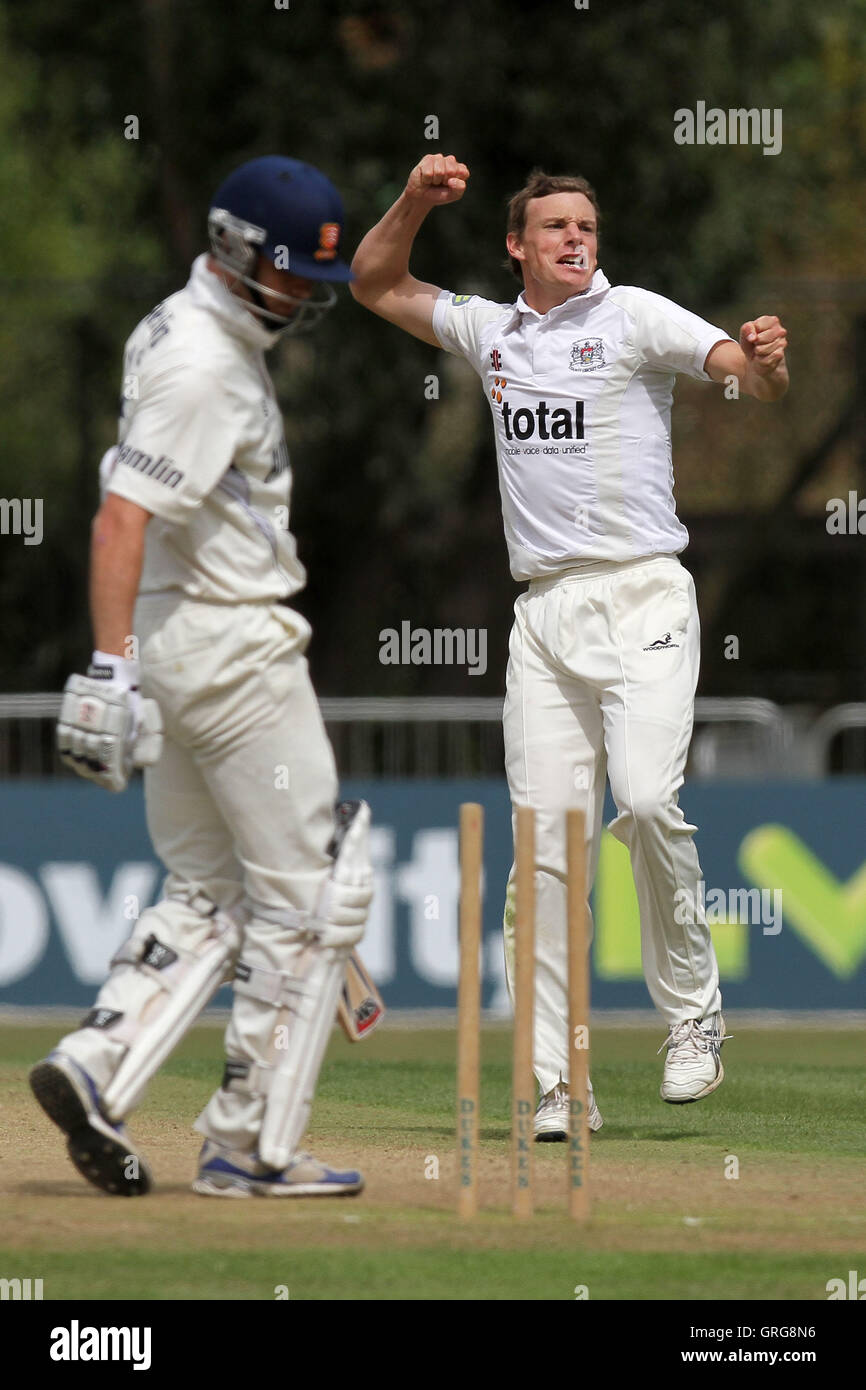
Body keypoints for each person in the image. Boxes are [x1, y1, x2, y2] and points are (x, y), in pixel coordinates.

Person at [349, 153, 789, 1138]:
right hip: (544, 613)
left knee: (640, 798)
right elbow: (374, 281)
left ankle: (690, 1020)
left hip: (642, 595)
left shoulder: (629, 314)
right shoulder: (490, 330)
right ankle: (558, 1083)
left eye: (584, 226)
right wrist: (416, 200)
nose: (573, 239)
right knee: (543, 855)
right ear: (515, 244)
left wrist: (762, 364)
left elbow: (739, 373)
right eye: (553, 227)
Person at [30, 155, 372, 1198]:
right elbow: (122, 515)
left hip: (186, 649)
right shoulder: (201, 365)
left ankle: (96, 1062)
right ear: (232, 253)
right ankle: (248, 1145)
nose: (308, 295)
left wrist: (131, 665)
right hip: (231, 652)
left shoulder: (182, 329)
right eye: (293, 275)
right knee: (315, 895)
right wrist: (107, 664)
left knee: (210, 893)